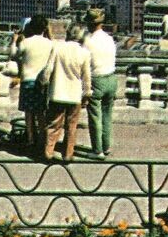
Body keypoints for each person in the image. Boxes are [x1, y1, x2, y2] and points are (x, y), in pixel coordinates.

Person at [42, 24, 92, 163]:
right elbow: (86, 77)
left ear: (68, 34)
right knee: (71, 126)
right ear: (81, 37)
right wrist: (87, 93)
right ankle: (68, 154)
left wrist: (44, 83)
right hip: (74, 95)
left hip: (57, 93)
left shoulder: (57, 48)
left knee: (53, 125)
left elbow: (48, 71)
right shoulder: (84, 53)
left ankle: (49, 151)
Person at [10, 15, 55, 158]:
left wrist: (14, 40)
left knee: (29, 113)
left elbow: (13, 55)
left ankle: (31, 139)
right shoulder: (50, 44)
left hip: (27, 81)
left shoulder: (26, 43)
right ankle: (43, 140)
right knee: (41, 113)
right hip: (43, 82)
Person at [82, 9, 118, 159]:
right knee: (107, 115)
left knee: (95, 116)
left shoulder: (88, 42)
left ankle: (98, 150)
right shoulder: (109, 39)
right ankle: (106, 146)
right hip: (112, 78)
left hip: (97, 79)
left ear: (90, 24)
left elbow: (83, 63)